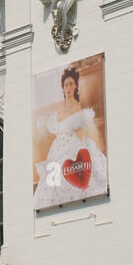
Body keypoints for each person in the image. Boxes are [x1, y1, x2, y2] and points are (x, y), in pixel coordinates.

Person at [33, 66, 109, 208]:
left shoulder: (79, 107)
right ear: (63, 88)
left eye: (71, 84)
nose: (68, 88)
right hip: (57, 148)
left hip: (73, 146)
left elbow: (84, 131)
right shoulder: (58, 111)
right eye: (66, 85)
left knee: (74, 173)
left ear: (75, 87)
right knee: (52, 180)